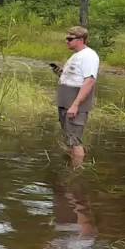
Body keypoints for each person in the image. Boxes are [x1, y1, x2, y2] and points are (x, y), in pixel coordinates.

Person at [51, 25, 99, 167]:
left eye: (70, 39)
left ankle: (76, 175)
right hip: (66, 101)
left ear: (81, 40)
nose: (67, 41)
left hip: (74, 103)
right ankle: (72, 167)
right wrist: (59, 71)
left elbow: (89, 81)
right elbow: (75, 77)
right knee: (69, 137)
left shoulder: (89, 56)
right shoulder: (77, 55)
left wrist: (75, 105)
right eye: (67, 38)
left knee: (75, 139)